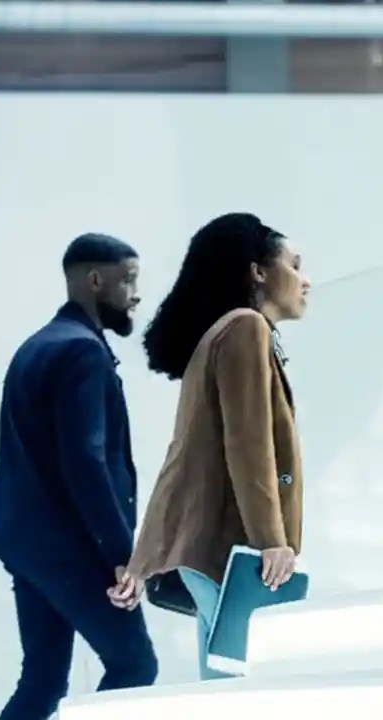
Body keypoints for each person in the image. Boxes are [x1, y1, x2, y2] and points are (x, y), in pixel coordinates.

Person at [110, 213, 310, 680]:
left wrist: (143, 561)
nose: (305, 281)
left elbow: (184, 455)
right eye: (295, 265)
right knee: (242, 685)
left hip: (211, 551)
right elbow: (249, 443)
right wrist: (271, 541)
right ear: (259, 271)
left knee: (223, 689)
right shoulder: (245, 327)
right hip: (230, 552)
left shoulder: (223, 334)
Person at [0, 233, 157, 719]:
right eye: (128, 281)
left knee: (41, 680)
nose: (136, 294)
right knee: (135, 665)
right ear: (95, 280)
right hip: (71, 547)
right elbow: (87, 460)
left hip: (25, 545)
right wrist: (123, 554)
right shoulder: (83, 353)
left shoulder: (35, 347)